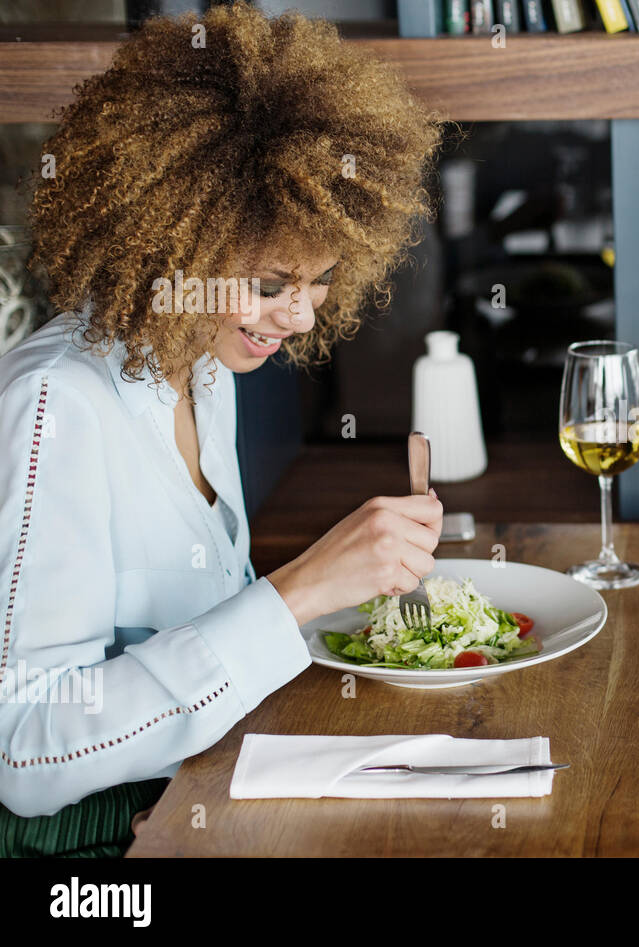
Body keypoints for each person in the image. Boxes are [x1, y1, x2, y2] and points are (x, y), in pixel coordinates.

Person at [0, 2, 447, 856]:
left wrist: (355, 584)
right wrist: (303, 589)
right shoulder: (57, 408)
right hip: (91, 847)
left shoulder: (206, 367)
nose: (296, 315)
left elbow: (204, 634)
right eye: (272, 279)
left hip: (205, 789)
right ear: (168, 241)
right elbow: (25, 747)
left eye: (316, 281)